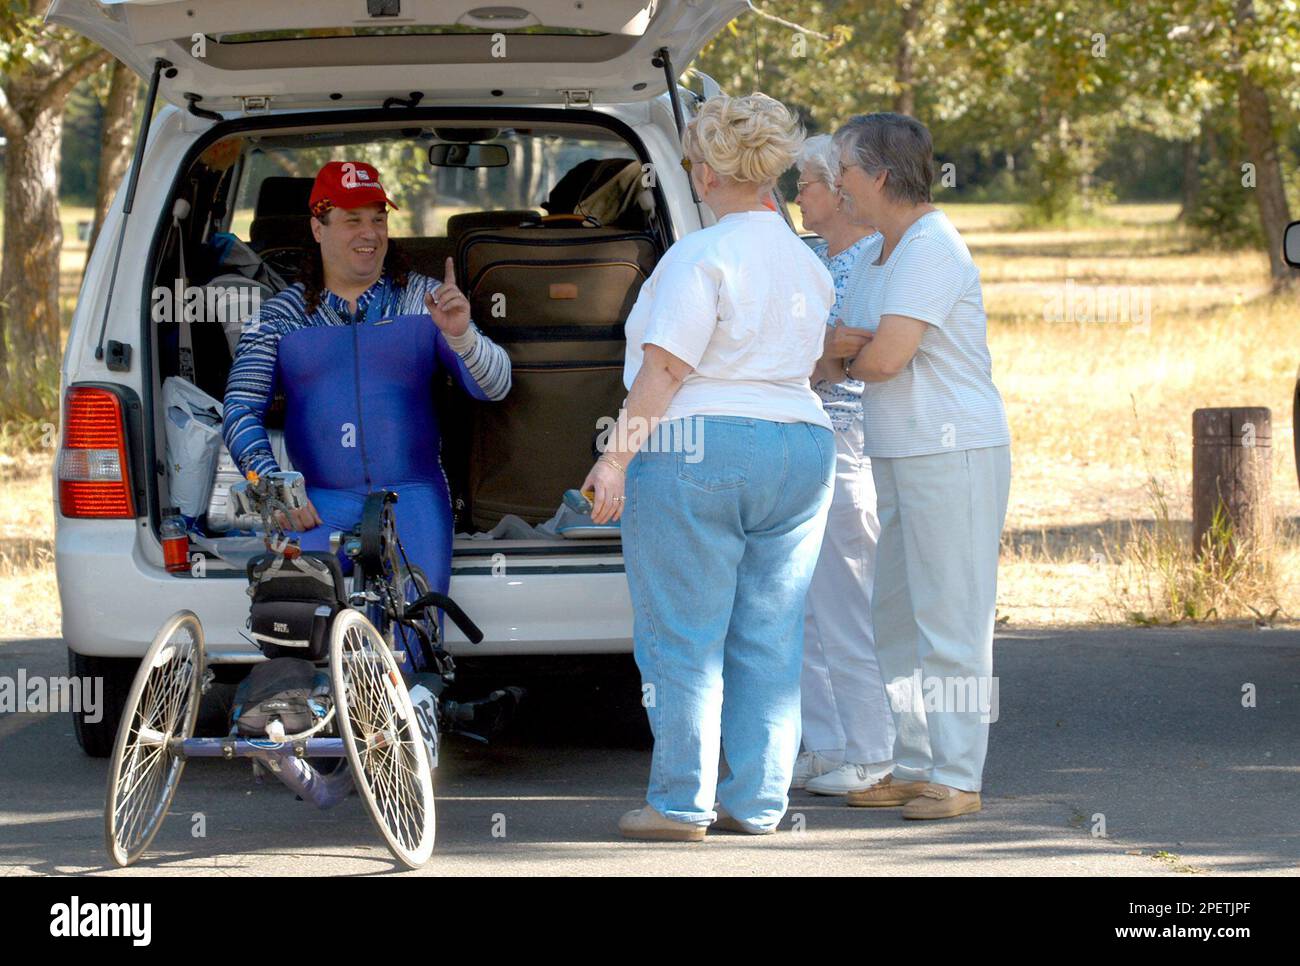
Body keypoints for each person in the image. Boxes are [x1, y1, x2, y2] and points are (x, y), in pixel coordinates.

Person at [580, 93, 835, 841]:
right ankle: (756, 801)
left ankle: (679, 803)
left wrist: (614, 459)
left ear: (704, 171)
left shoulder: (699, 255)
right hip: (801, 447)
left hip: (699, 445)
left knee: (683, 634)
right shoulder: (805, 262)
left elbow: (664, 369)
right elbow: (809, 364)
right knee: (771, 631)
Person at [223, 160, 511, 616]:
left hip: (413, 496)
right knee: (300, 627)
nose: (370, 233)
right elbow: (239, 408)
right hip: (319, 501)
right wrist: (274, 485)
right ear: (317, 228)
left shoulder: (427, 298)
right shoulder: (279, 315)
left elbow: (494, 386)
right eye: (352, 219)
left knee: (415, 639)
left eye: (378, 219)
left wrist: (461, 335)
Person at [831, 113, 1011, 820]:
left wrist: (846, 352)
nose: (834, 183)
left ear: (877, 175)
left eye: (842, 169)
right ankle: (912, 763)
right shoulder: (883, 250)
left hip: (953, 451)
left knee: (952, 618)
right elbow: (852, 349)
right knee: (897, 616)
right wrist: (849, 349)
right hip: (902, 449)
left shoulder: (933, 246)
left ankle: (959, 776)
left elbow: (880, 357)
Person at [790, 135, 896, 796]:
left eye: (805, 182)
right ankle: (827, 744)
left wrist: (815, 354)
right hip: (803, 431)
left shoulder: (870, 265)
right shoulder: (807, 257)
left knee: (846, 601)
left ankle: (875, 752)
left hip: (846, 436)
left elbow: (851, 355)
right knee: (800, 604)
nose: (798, 192)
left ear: (839, 191)